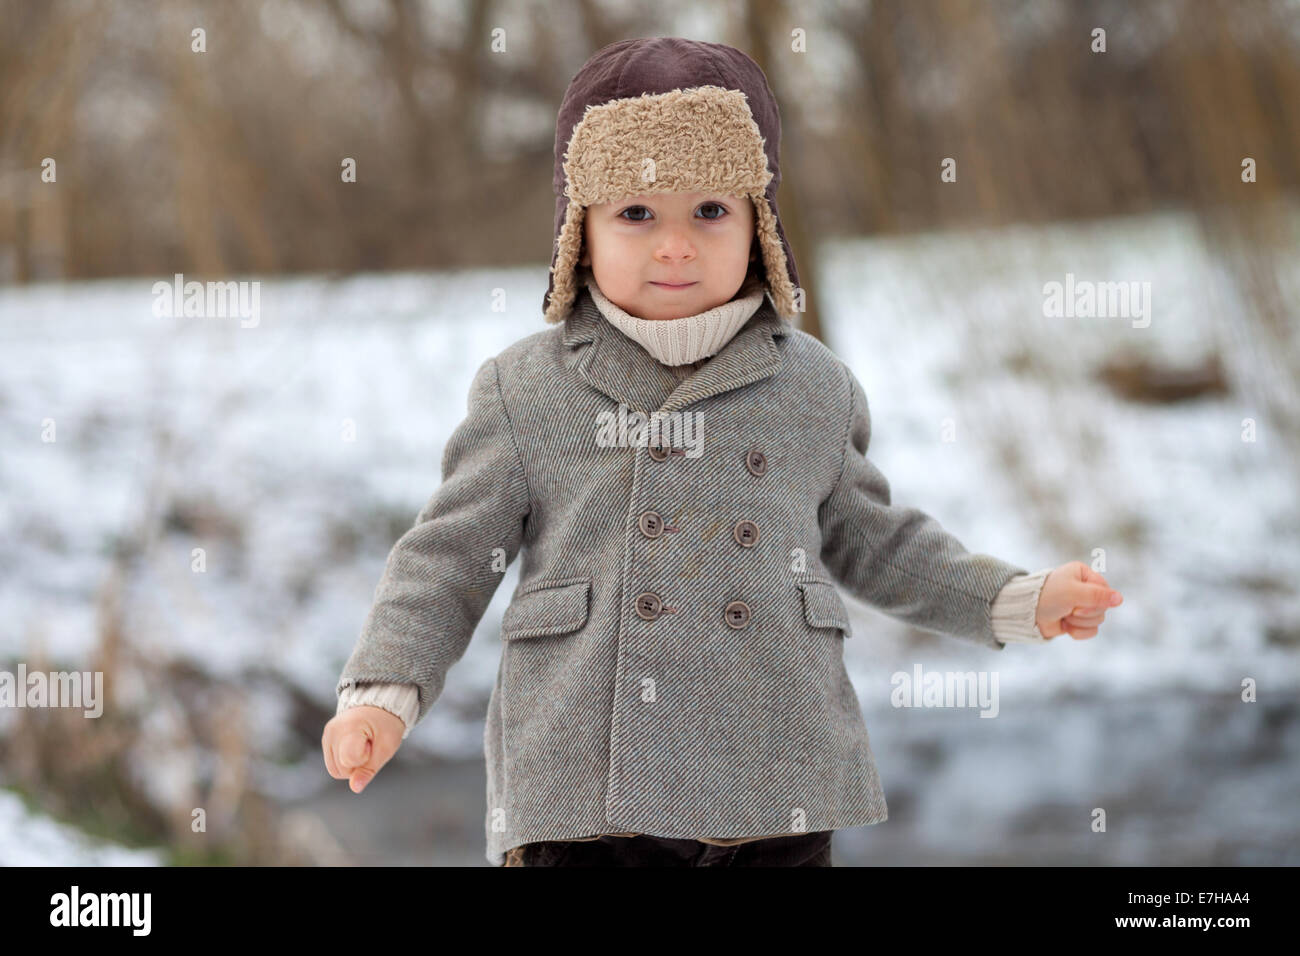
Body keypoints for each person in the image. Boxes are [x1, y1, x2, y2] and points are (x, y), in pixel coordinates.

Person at [321, 37, 1124, 867]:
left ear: (759, 226)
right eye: (637, 212)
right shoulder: (527, 389)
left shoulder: (812, 387)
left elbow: (879, 544)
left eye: (710, 211)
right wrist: (384, 693)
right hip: (585, 788)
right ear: (579, 231)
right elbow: (445, 558)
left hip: (775, 779)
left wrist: (1011, 598)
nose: (676, 245)